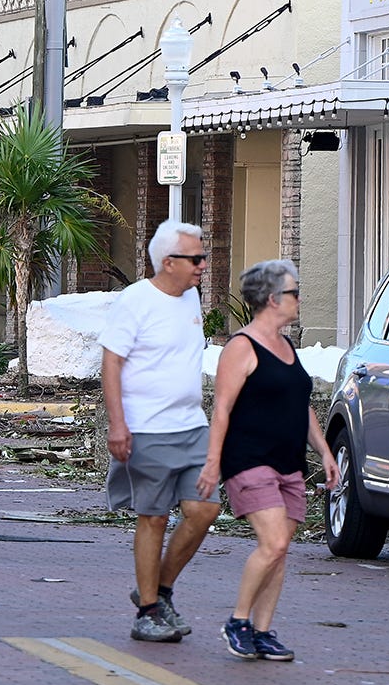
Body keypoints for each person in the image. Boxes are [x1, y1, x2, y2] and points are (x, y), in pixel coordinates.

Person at [197, 259, 340, 662]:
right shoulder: (241, 347)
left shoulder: (286, 346)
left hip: (289, 462)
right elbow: (222, 410)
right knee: (273, 542)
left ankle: (262, 631)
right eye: (294, 293)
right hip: (248, 460)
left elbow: (300, 405)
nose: (299, 300)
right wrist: (213, 463)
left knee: (279, 549)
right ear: (274, 299)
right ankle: (238, 621)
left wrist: (325, 452)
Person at [99, 219, 220, 644]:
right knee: (154, 516)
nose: (203, 264)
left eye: (203, 256)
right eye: (196, 258)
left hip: (192, 426)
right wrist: (118, 424)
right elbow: (111, 363)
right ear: (169, 262)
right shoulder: (135, 301)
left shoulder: (191, 298)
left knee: (204, 510)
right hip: (146, 428)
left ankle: (158, 590)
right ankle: (147, 612)